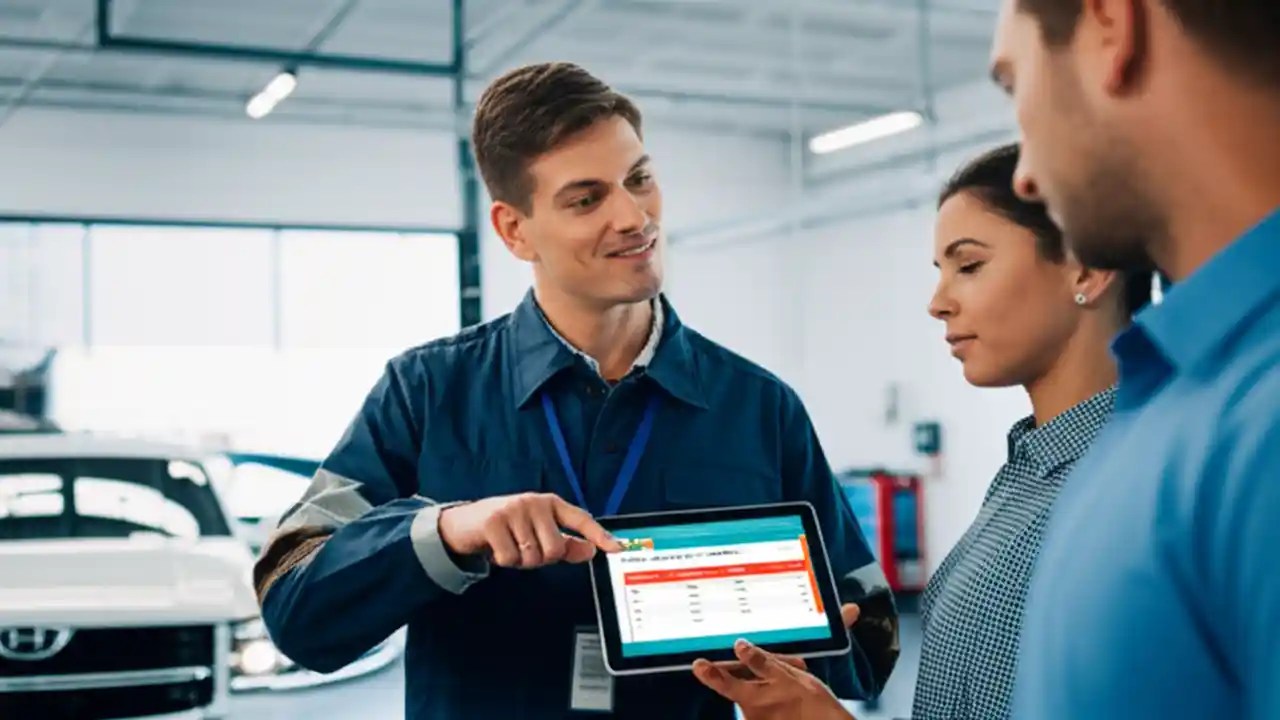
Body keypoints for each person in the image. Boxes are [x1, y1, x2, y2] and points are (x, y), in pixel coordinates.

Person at [252, 61, 899, 720]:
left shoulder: (759, 407)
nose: (634, 216)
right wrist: (447, 531)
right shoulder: (424, 392)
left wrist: (791, 647)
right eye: (587, 198)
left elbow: (874, 636)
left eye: (640, 179)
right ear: (514, 230)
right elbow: (294, 604)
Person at [693, 143, 1152, 719]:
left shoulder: (1142, 484)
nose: (938, 303)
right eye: (941, 272)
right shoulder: (1026, 472)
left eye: (970, 265)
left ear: (1086, 268)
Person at [990, 1, 1280, 718]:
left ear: (1111, 26)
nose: (1025, 177)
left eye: (1013, 84)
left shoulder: (1260, 420)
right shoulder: (1190, 390)